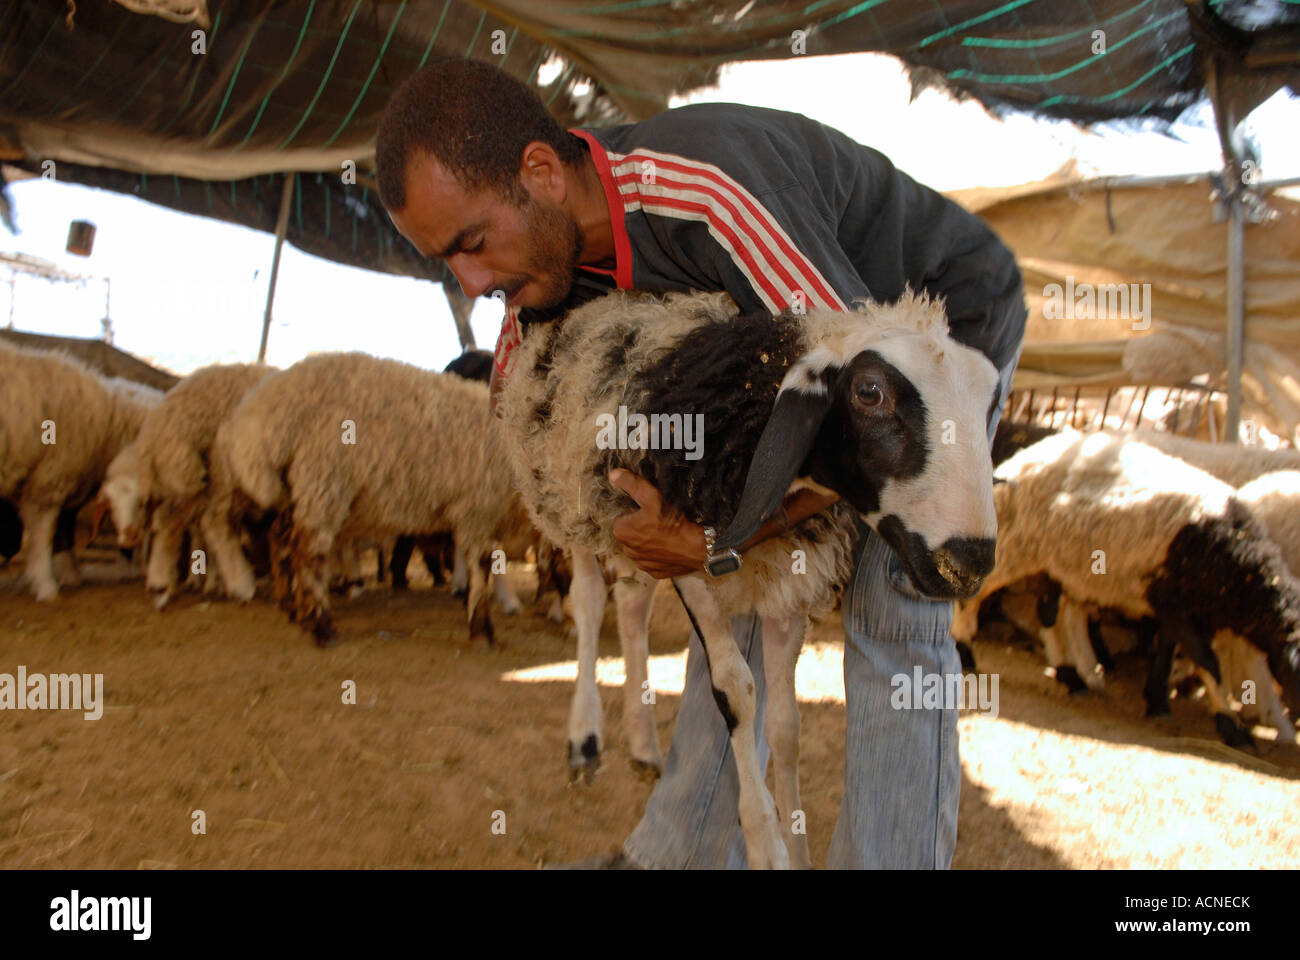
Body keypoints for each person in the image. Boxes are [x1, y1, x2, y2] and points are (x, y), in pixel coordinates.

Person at [376, 58, 1026, 869]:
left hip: (932, 324)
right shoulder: (547, 269)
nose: (470, 283)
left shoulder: (708, 195)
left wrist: (718, 539)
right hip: (819, 343)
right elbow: (528, 393)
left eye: (471, 244)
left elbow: (857, 394)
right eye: (447, 260)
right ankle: (678, 852)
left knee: (893, 596)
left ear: (540, 173)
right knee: (735, 606)